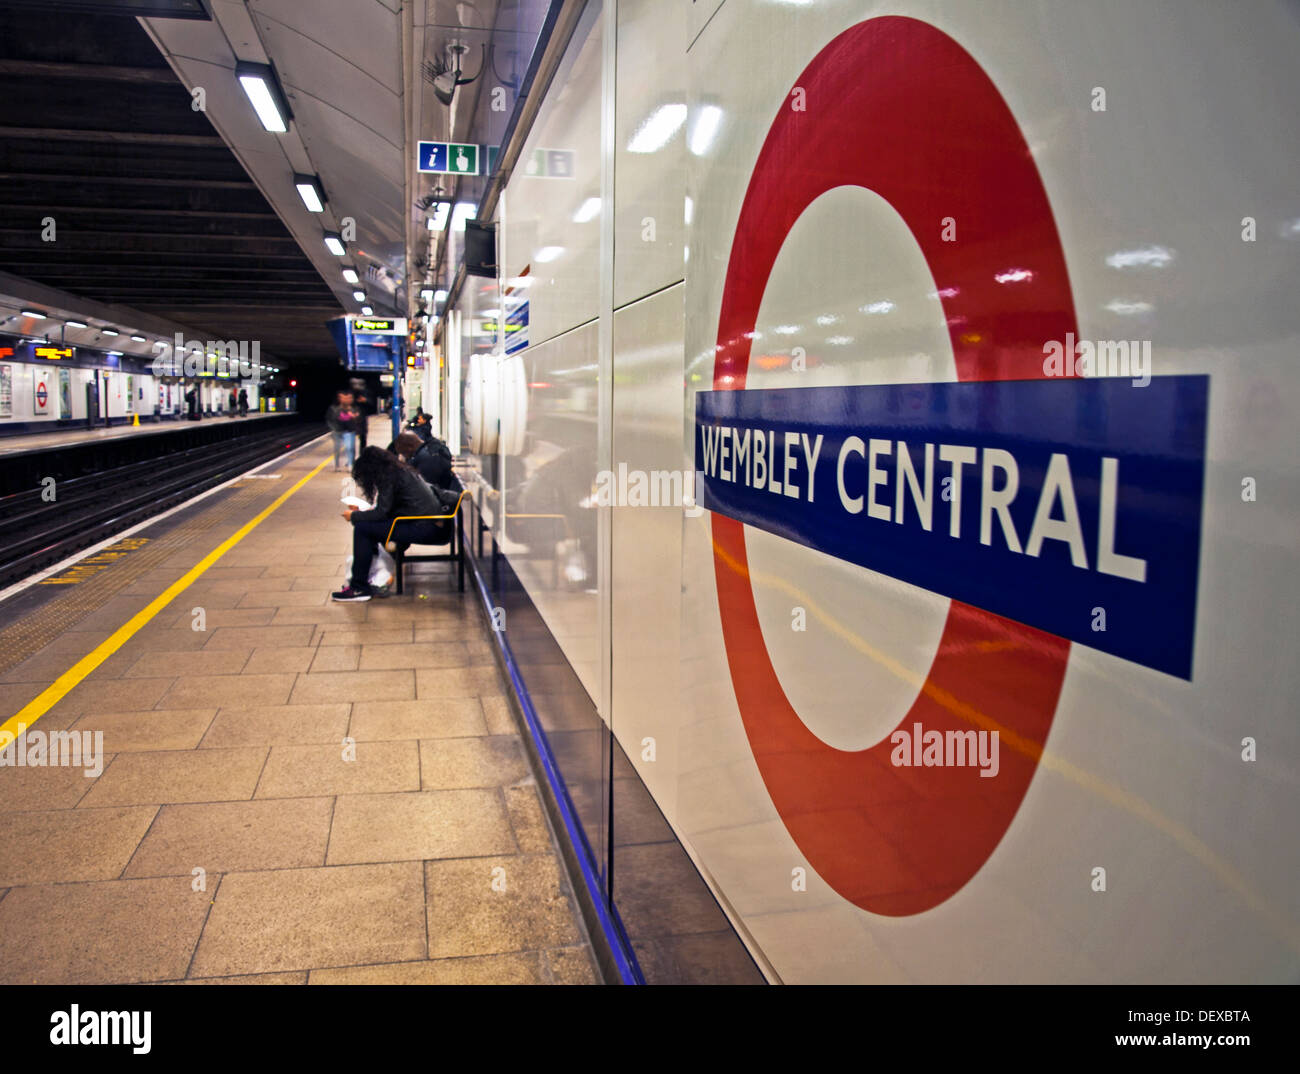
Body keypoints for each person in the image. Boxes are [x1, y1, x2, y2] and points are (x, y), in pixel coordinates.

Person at [332, 447, 459, 602]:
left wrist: (355, 516)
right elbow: (388, 510)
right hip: (430, 524)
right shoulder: (400, 472)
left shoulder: (388, 477)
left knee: (362, 529)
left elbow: (382, 513)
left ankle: (359, 588)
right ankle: (371, 579)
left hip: (427, 528)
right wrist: (363, 513)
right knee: (368, 527)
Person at [325, 390, 357, 472]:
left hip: (349, 431)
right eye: (343, 398)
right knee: (337, 449)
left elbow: (359, 420)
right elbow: (330, 419)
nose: (345, 400)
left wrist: (354, 418)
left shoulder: (354, 409)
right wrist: (333, 428)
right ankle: (337, 465)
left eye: (347, 398)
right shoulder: (334, 409)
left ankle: (350, 465)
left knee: (350, 448)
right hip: (337, 431)